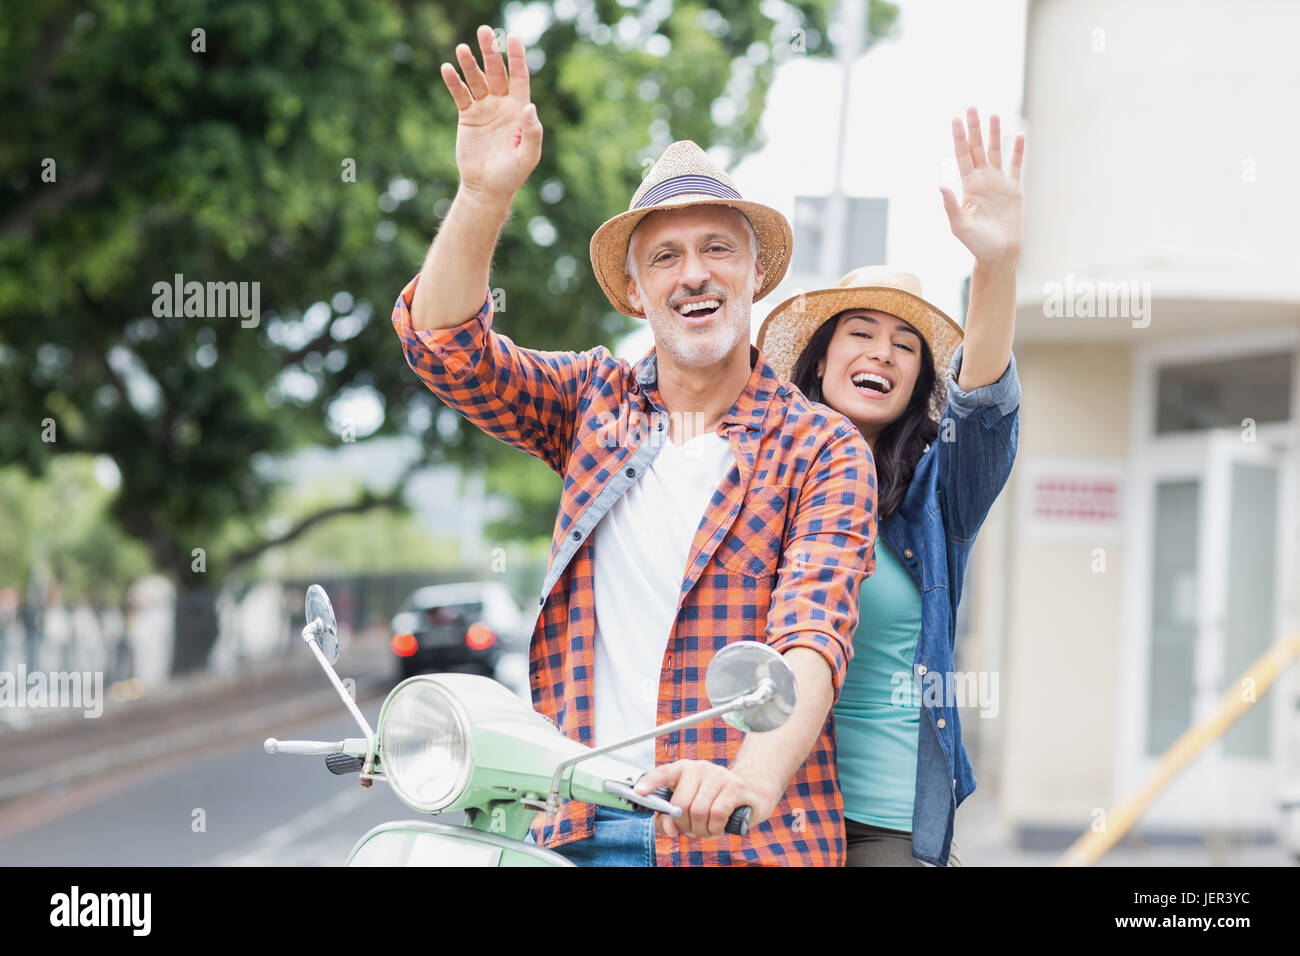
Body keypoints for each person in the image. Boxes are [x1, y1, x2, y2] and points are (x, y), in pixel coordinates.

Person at [392, 25, 877, 866]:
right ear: (633, 290)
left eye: (718, 249)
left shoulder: (821, 446)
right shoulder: (593, 403)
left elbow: (812, 633)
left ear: (755, 273)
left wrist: (748, 783)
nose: (695, 274)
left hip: (741, 841)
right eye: (665, 258)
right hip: (579, 827)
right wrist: (482, 194)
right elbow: (446, 350)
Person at [755, 109, 1025, 866]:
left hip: (885, 824)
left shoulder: (937, 495)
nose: (883, 353)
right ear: (820, 358)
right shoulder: (759, 474)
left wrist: (997, 265)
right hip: (764, 810)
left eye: (905, 345)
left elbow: (984, 408)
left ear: (916, 380)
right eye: (861, 333)